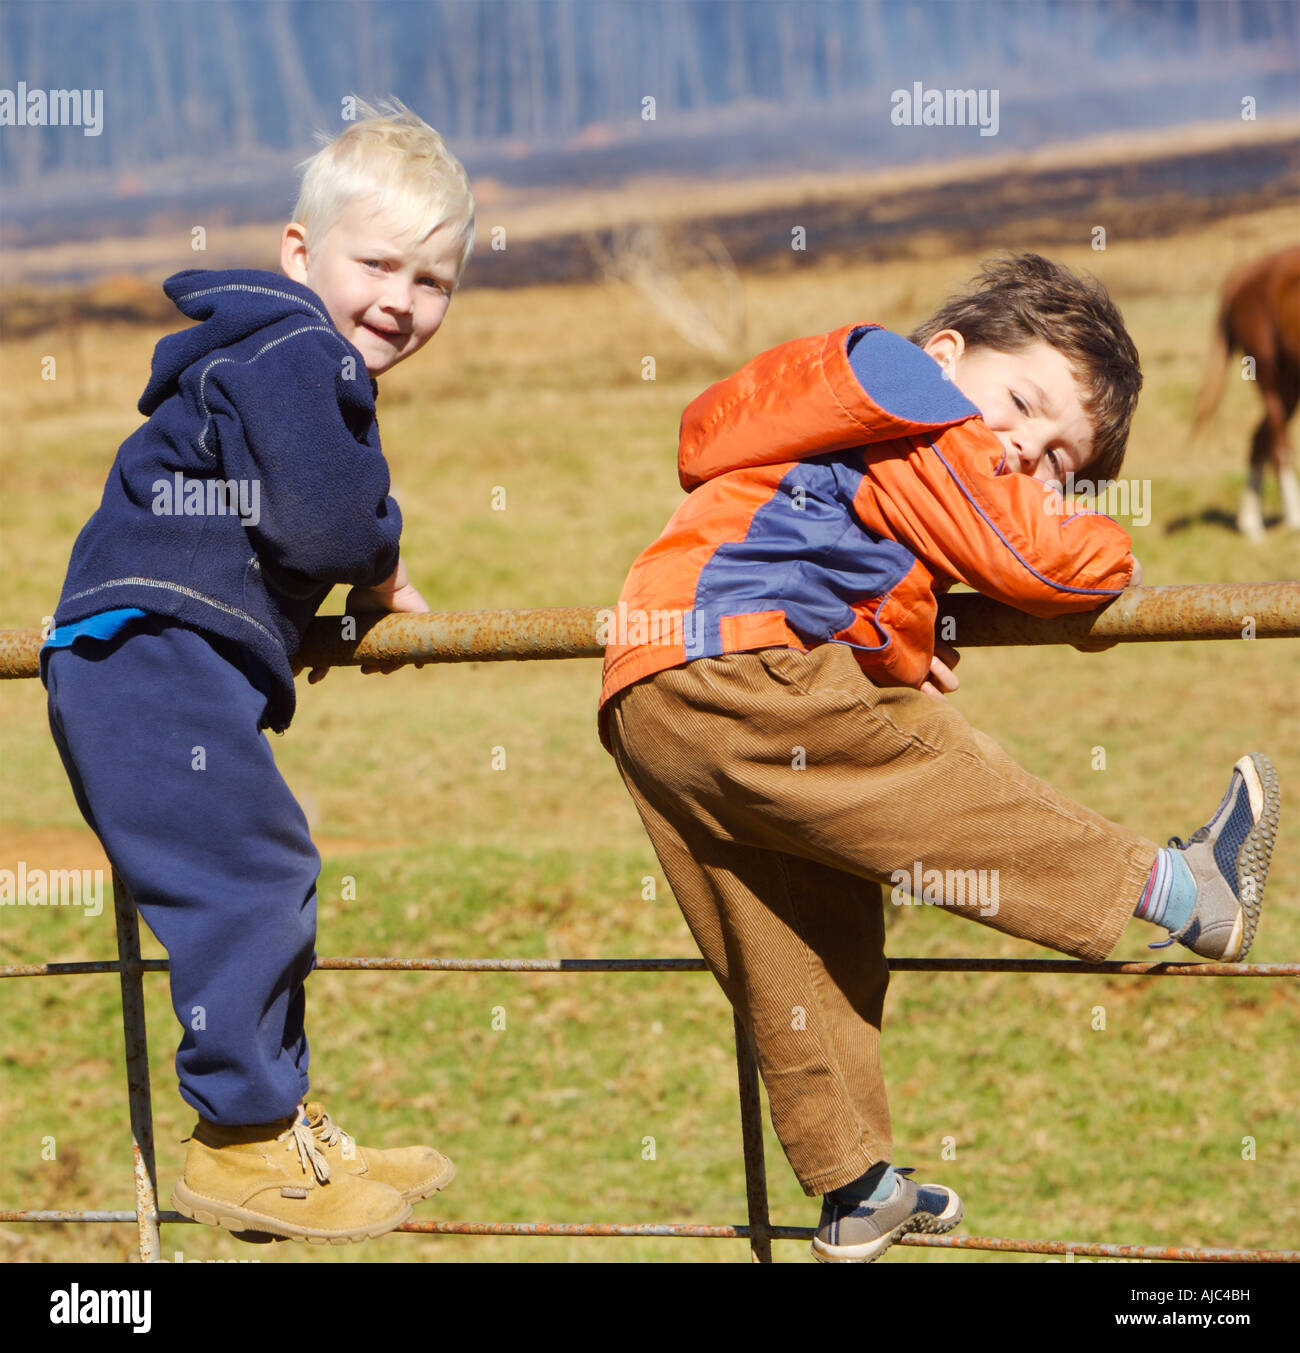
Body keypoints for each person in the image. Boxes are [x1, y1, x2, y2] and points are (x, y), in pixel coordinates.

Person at [597, 254, 1280, 1263]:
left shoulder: (834, 415)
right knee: (939, 788)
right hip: (743, 659)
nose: (1022, 452)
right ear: (947, 353)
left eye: (1059, 461)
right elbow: (1031, 559)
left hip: (649, 687)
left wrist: (898, 635)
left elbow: (836, 543)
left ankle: (854, 1186)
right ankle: (1183, 890)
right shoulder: (913, 400)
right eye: (1021, 404)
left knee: (790, 930)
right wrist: (1108, 551)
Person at [40, 99, 474, 1244]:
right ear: (300, 252)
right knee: (249, 876)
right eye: (377, 263)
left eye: (432, 283)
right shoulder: (295, 346)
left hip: (148, 651)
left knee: (255, 870)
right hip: (149, 654)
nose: (400, 300)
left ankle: (277, 1130)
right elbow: (323, 525)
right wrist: (380, 565)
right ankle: (241, 1142)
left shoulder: (269, 346)